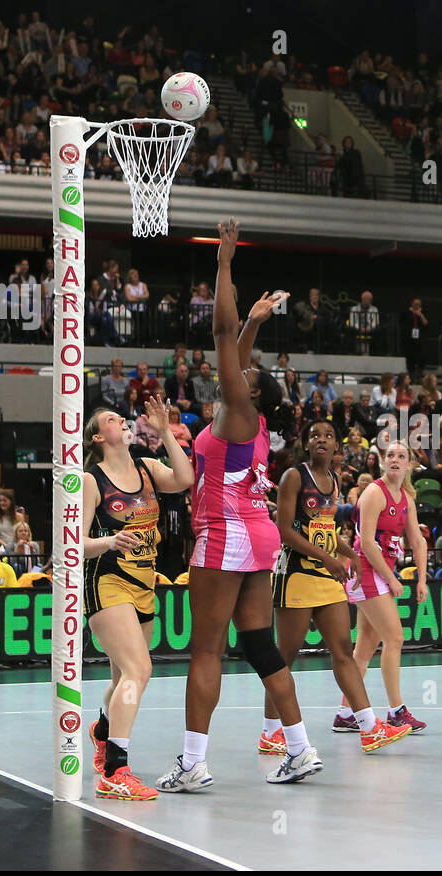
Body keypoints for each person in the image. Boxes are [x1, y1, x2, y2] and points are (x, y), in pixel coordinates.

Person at [159, 218, 323, 792]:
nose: (243, 371)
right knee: (258, 644)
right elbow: (236, 348)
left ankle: (192, 760)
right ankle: (299, 747)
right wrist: (254, 321)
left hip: (226, 531)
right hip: (260, 537)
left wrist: (224, 264)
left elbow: (223, 339)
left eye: (249, 376)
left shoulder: (238, 410)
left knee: (205, 648)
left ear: (251, 392)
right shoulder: (248, 421)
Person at [264, 419, 411, 755]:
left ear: (337, 448)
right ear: (305, 443)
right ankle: (270, 732)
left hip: (326, 575)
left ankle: (369, 727)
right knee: (284, 656)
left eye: (328, 436)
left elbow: (325, 530)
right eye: (315, 435)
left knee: (344, 652)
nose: (321, 440)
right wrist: (330, 559)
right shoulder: (293, 477)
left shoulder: (332, 481)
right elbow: (285, 530)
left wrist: (348, 553)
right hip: (297, 574)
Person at [82, 396, 194, 801]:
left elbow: (185, 479)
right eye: (113, 419)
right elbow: (73, 543)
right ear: (99, 435)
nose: (123, 421)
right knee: (139, 670)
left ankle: (101, 728)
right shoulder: (92, 480)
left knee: (122, 678)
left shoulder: (146, 468)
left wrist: (165, 431)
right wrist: (110, 540)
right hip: (108, 580)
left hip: (145, 581)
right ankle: (115, 769)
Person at [338, 440, 430, 732]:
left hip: (379, 572)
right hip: (364, 571)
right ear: (383, 460)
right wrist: (391, 579)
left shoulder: (406, 498)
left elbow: (417, 541)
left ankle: (345, 714)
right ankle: (396, 711)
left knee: (365, 648)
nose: (395, 459)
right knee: (395, 638)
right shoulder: (374, 493)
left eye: (401, 456)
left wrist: (423, 577)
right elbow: (365, 542)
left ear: (409, 464)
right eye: (390, 455)